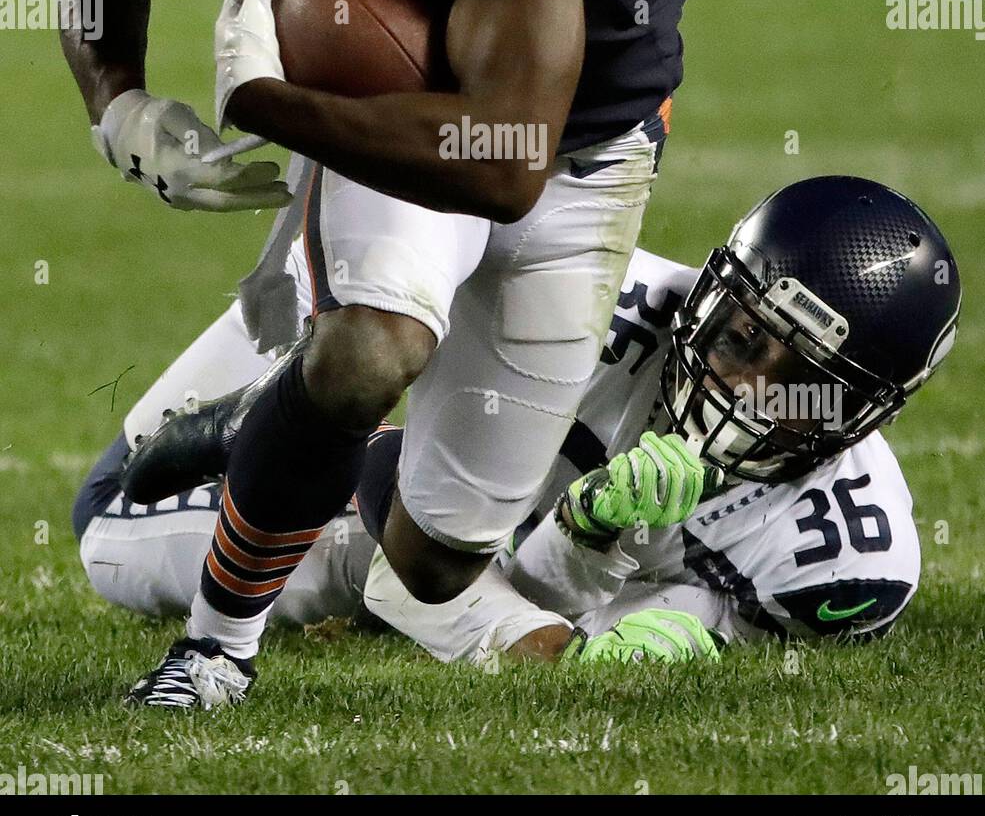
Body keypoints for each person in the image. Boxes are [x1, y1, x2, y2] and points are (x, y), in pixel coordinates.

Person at [59, 0, 686, 705]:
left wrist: (269, 101)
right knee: (368, 351)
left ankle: (273, 424)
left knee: (434, 561)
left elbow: (505, 162)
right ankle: (213, 650)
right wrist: (122, 106)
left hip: (565, 156)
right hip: (399, 121)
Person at [74, 178, 960, 692]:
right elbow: (396, 509)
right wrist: (544, 639)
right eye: (740, 337)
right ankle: (276, 410)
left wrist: (589, 547)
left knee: (617, 624)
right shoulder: (591, 312)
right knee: (108, 533)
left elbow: (635, 623)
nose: (742, 385)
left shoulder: (846, 556)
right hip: (352, 366)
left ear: (865, 413)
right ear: (709, 296)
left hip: (481, 520)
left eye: (799, 380)